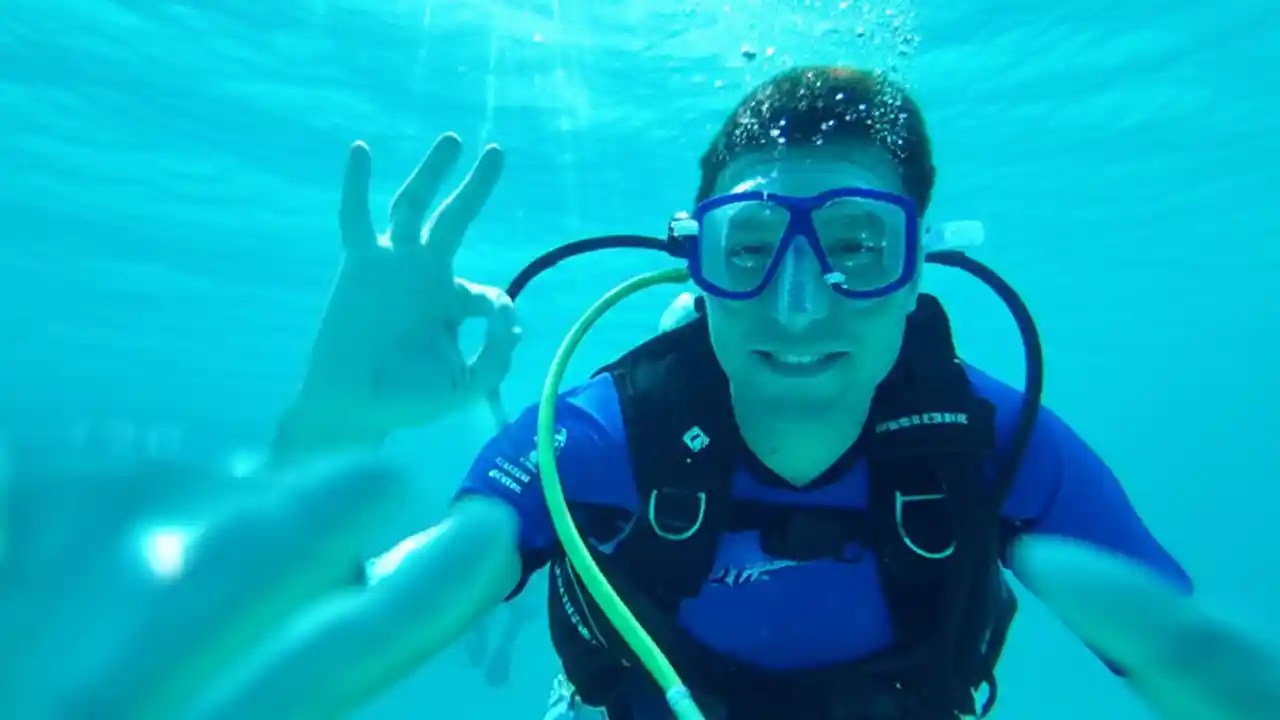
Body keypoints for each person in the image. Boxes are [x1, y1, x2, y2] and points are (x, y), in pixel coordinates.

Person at [69, 66, 1280, 720]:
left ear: (920, 271)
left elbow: (1191, 661)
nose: (797, 309)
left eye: (857, 246)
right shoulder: (594, 438)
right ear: (692, 262)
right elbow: (304, 655)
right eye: (747, 250)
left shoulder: (991, 443)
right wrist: (326, 427)